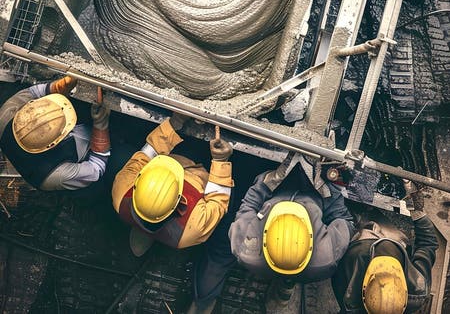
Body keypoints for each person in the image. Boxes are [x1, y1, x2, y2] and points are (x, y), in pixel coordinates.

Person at [189, 151, 355, 314]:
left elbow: (248, 205)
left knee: (220, 253)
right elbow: (345, 220)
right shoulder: (326, 258)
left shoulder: (246, 251)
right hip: (316, 198)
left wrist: (267, 182)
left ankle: (202, 303)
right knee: (296, 274)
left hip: (274, 192)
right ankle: (286, 287)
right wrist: (328, 193)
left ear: (265, 237)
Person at [111, 114, 234, 257]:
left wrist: (172, 125)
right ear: (178, 202)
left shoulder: (122, 194)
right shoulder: (191, 231)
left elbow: (143, 157)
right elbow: (219, 201)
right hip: (205, 166)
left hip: (172, 150)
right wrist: (221, 160)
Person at [332, 180, 438, 314]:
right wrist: (417, 210)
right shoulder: (416, 290)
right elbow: (428, 244)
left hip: (353, 237)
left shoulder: (349, 298)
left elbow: (331, 259)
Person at [0, 76, 111, 192]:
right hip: (87, 150)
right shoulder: (55, 176)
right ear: (54, 143)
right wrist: (100, 124)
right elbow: (96, 167)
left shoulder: (5, 116)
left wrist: (59, 86)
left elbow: (34, 92)